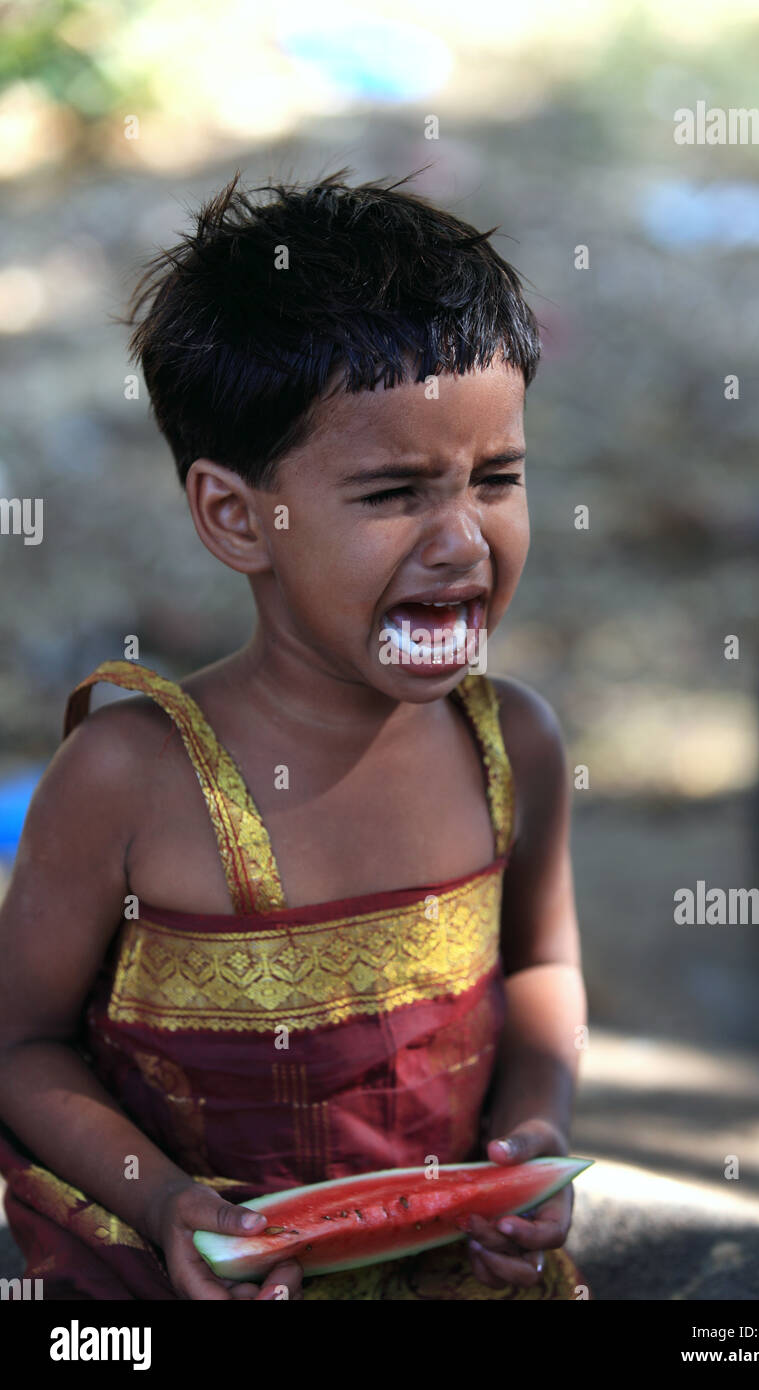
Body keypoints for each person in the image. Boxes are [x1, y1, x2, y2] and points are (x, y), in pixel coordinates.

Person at [0, 169, 590, 1300]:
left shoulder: (514, 744)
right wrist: (167, 1203)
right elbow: (19, 1047)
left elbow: (541, 966)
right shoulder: (129, 777)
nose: (462, 541)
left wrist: (529, 1140)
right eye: (392, 493)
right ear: (236, 516)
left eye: (497, 478)